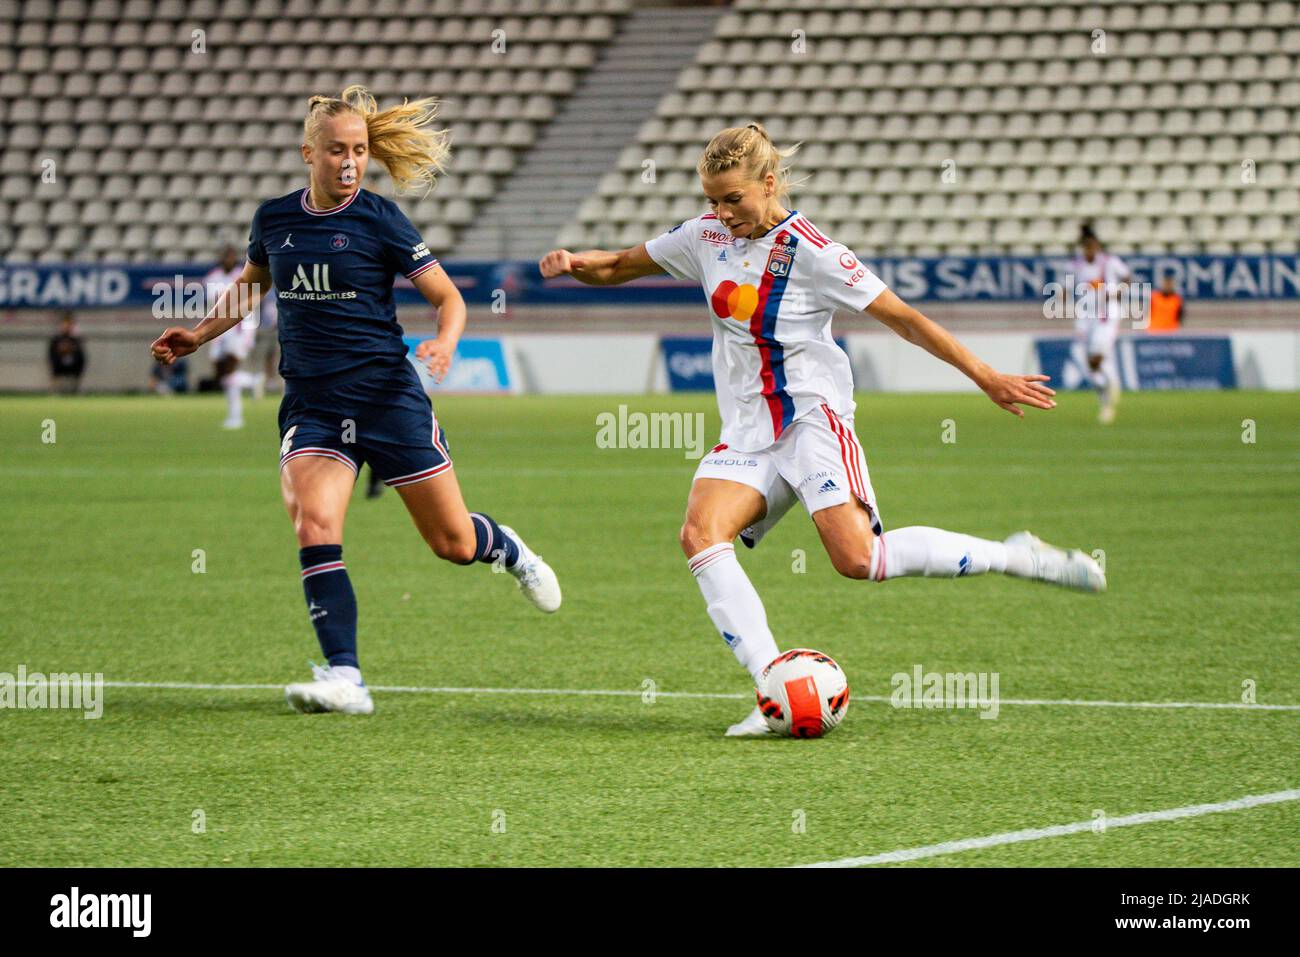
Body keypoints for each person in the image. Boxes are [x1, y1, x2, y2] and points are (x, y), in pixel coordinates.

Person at [540, 123, 1104, 737]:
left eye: (733, 199)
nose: (721, 213)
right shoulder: (702, 237)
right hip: (749, 432)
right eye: (711, 200)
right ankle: (772, 689)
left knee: (858, 560)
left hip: (813, 422)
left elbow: (906, 319)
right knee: (700, 533)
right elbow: (621, 265)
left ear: (769, 182)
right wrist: (576, 264)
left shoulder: (815, 253)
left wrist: (986, 375)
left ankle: (1014, 555)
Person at [151, 86, 560, 715]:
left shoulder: (380, 219)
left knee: (452, 543)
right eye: (337, 150)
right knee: (314, 524)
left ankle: (506, 548)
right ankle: (346, 677)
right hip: (313, 404)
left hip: (386, 398)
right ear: (307, 152)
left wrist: (446, 346)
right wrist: (199, 335)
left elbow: (449, 299)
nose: (350, 162)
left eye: (360, 151)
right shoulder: (275, 220)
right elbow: (251, 287)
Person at [1071, 223, 1132, 423]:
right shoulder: (1077, 266)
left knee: (1096, 358)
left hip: (1106, 316)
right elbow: (1071, 288)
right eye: (1086, 246)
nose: (1090, 250)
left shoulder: (1109, 262)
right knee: (1091, 364)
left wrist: (1116, 293)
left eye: (1092, 246)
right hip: (1086, 317)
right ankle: (1108, 391)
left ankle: (1108, 399)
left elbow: (1127, 277)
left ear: (1097, 246)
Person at [204, 245, 260, 428]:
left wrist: (249, 335)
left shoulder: (242, 276)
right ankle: (252, 381)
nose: (228, 259)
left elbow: (249, 307)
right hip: (219, 332)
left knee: (229, 373)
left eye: (231, 256)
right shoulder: (212, 278)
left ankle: (236, 417)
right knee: (221, 376)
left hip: (237, 331)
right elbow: (213, 307)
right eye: (225, 256)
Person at [48, 312, 85, 394]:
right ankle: (54, 391)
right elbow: (51, 353)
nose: (67, 326)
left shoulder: (76, 339)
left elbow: (80, 354)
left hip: (73, 363)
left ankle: (75, 390)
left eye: (69, 324)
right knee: (54, 362)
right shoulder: (56, 339)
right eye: (65, 324)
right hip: (59, 362)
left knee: (80, 360)